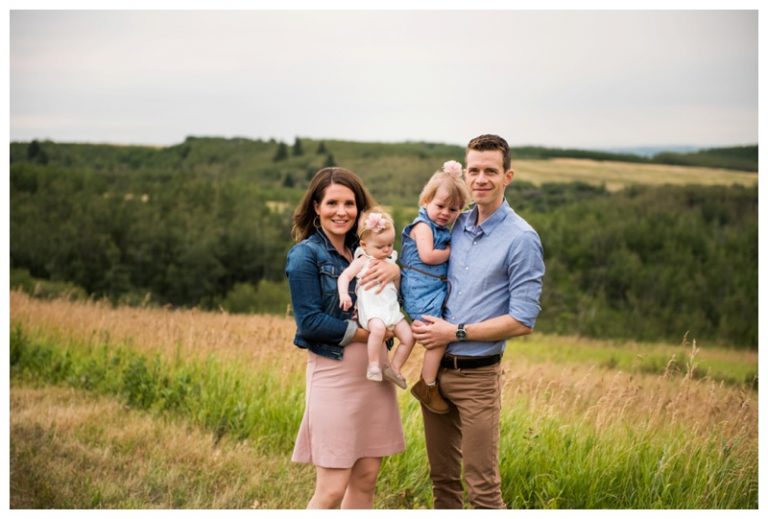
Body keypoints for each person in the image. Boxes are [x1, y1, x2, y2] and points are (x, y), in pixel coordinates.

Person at [411, 134, 545, 509]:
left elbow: (523, 320)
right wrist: (391, 273)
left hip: (478, 378)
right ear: (465, 175)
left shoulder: (521, 239)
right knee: (443, 484)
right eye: (474, 170)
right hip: (434, 376)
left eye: (491, 171)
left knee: (483, 491)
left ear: (508, 176)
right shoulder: (453, 222)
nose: (481, 179)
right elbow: (419, 261)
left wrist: (453, 332)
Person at [285, 167, 405, 509]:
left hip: (375, 377)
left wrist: (397, 271)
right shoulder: (305, 256)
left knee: (366, 479)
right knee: (332, 489)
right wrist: (367, 334)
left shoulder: (372, 249)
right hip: (335, 377)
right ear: (316, 208)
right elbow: (310, 323)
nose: (342, 211)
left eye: (350, 203)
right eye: (332, 203)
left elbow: (402, 298)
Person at [400, 160, 470, 414]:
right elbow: (428, 256)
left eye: (453, 210)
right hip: (419, 289)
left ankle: (430, 377)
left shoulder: (440, 227)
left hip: (431, 289)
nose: (445, 213)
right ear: (425, 201)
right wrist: (451, 252)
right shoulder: (422, 227)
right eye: (440, 206)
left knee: (440, 330)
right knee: (437, 337)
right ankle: (427, 385)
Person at [337, 209, 413, 387]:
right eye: (380, 247)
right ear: (364, 245)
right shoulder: (362, 260)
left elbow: (396, 289)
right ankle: (373, 365)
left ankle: (394, 368)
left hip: (391, 311)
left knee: (409, 337)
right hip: (372, 312)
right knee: (377, 330)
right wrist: (343, 294)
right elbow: (345, 277)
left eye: (390, 245)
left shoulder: (391, 261)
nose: (386, 250)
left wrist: (396, 274)